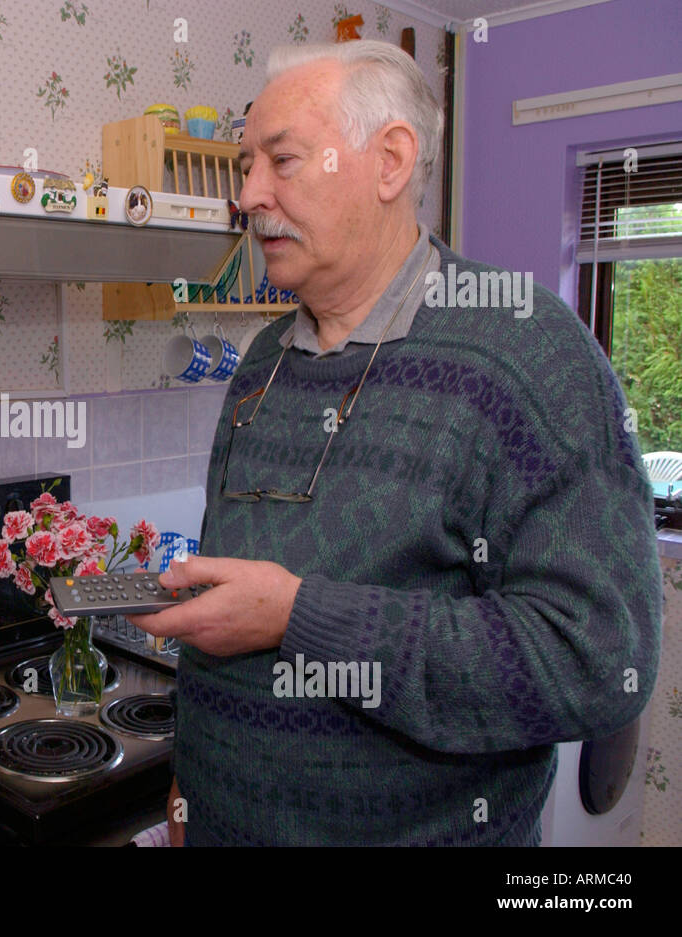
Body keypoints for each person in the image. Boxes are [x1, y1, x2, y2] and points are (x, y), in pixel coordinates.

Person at [129, 39, 662, 846]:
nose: (247, 195)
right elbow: (231, 627)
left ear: (389, 162)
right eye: (246, 165)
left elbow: (595, 660)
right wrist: (187, 790)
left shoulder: (530, 355)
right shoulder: (264, 362)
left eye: (282, 161)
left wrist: (302, 616)